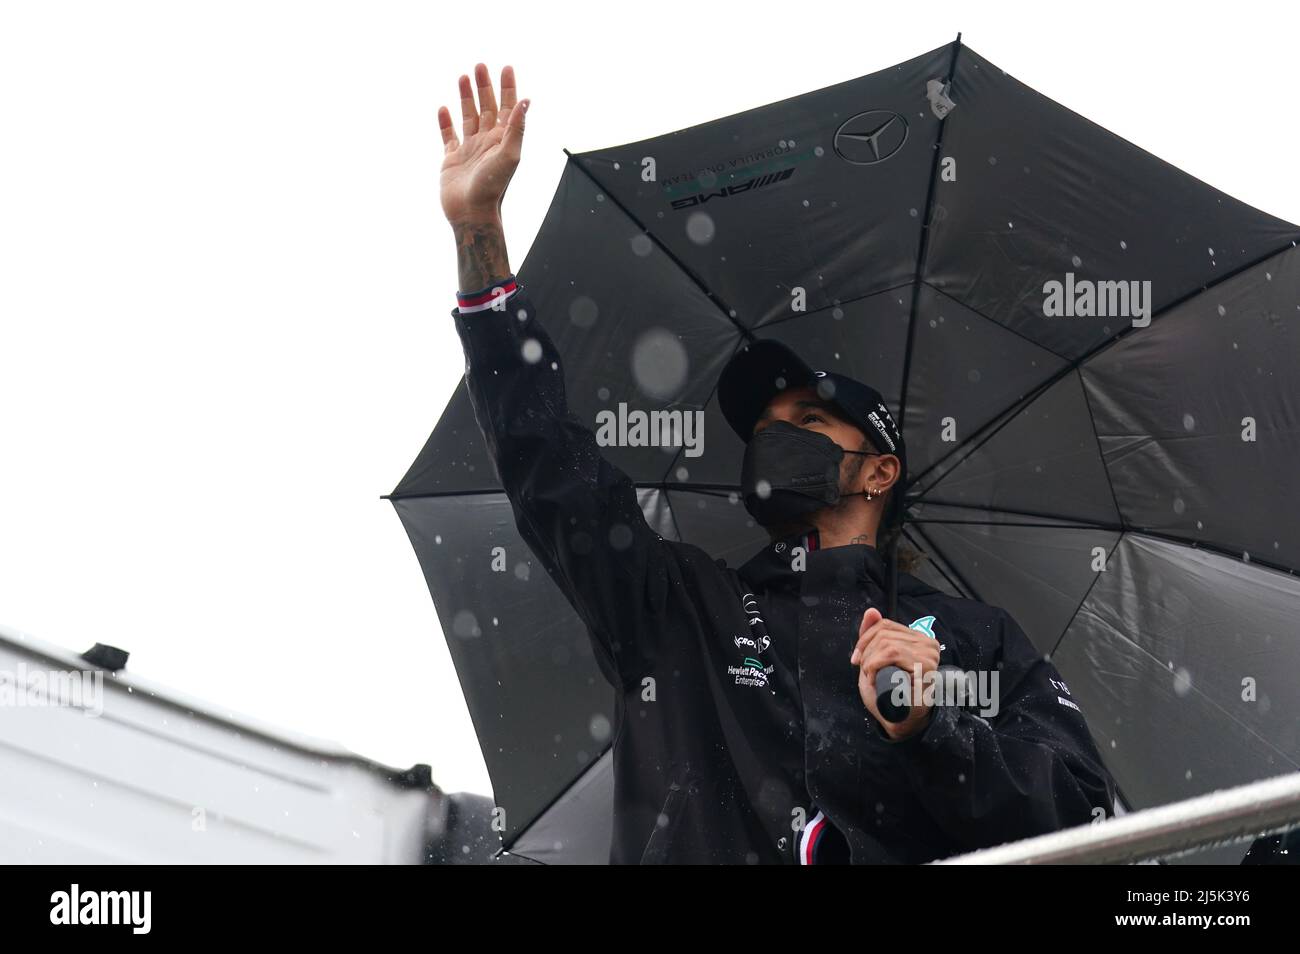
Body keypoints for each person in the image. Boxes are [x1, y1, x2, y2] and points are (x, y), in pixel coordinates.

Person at [438, 63, 1116, 864]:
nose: (774, 437)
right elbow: (549, 468)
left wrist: (936, 729)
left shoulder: (975, 641)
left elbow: (1083, 821)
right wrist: (479, 236)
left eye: (810, 419)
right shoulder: (679, 607)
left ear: (878, 473)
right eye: (764, 426)